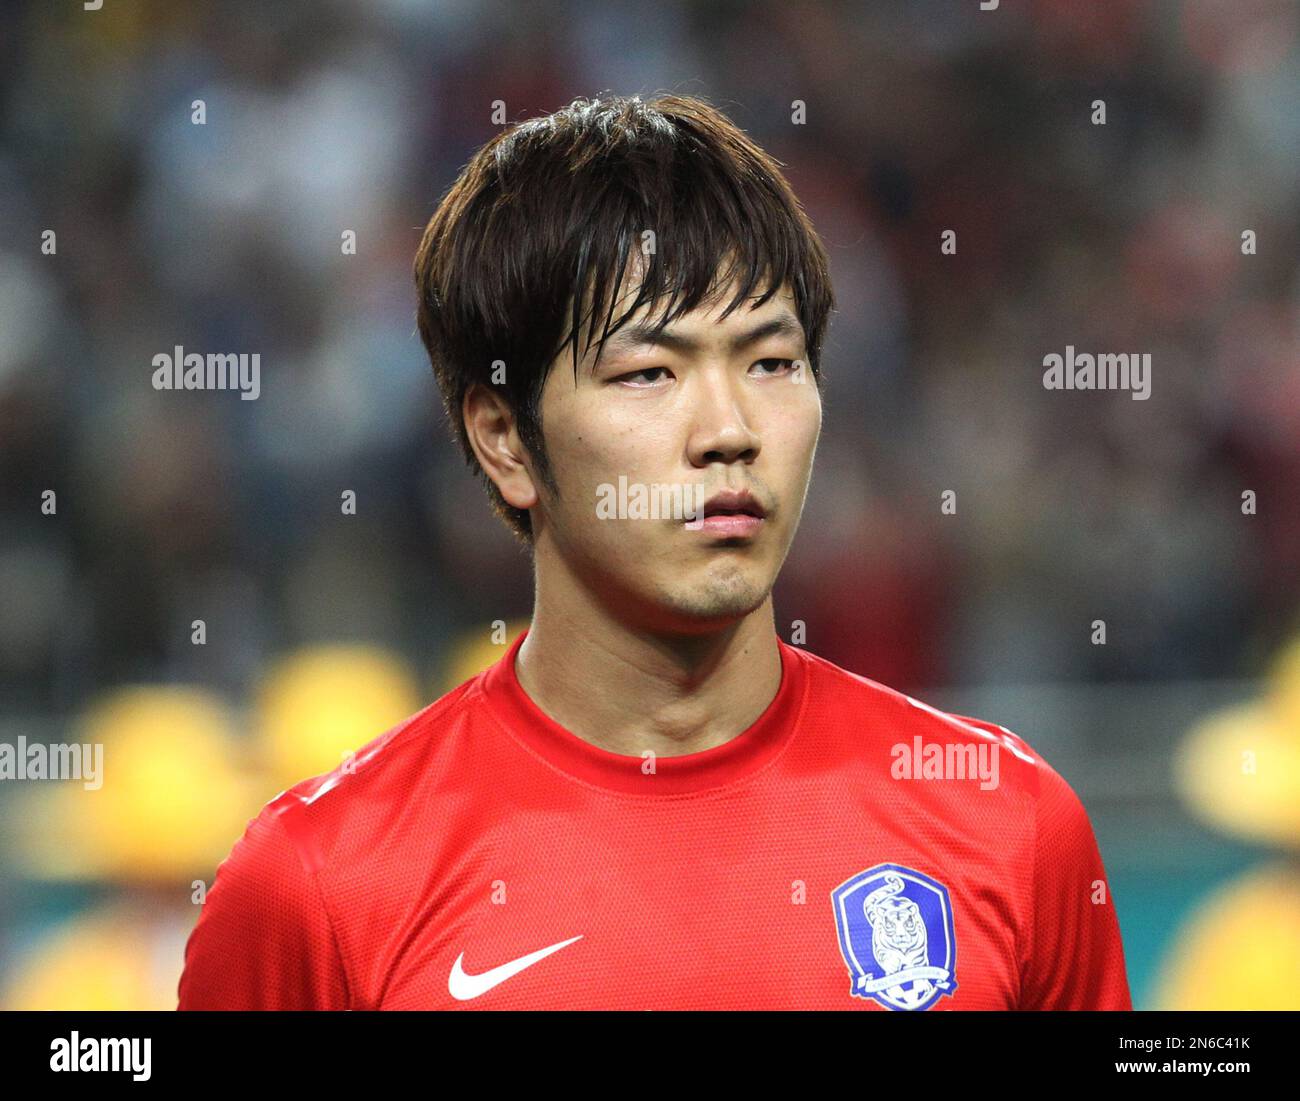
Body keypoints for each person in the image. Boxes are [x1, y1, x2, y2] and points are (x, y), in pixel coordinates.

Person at [177, 93, 1131, 1010]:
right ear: (505, 439)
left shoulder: (1010, 827)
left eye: (771, 362)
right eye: (648, 373)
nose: (730, 429)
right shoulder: (319, 888)